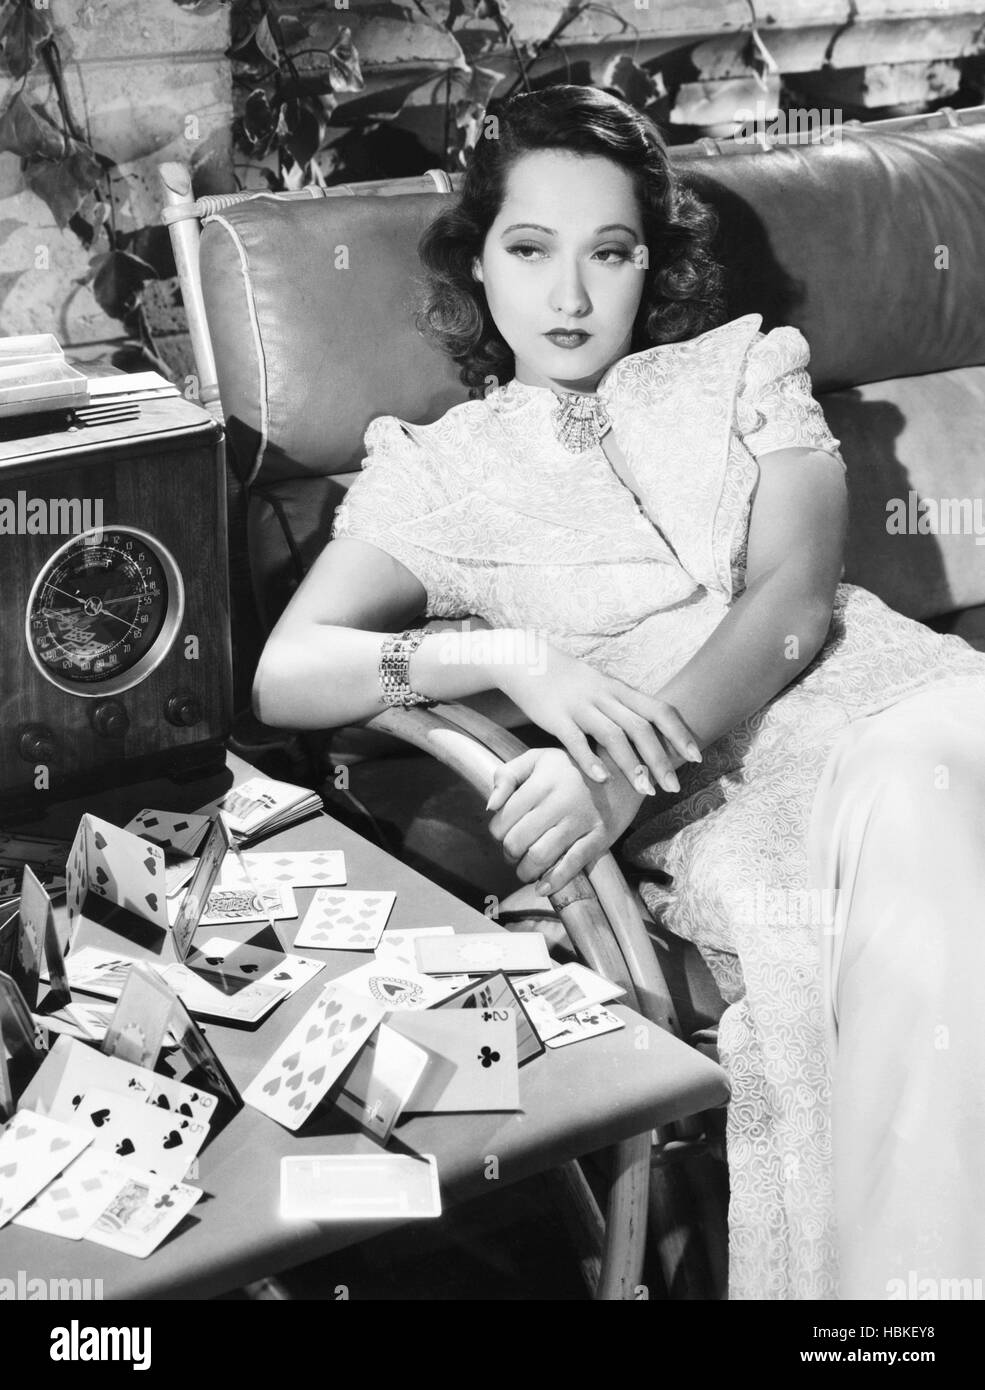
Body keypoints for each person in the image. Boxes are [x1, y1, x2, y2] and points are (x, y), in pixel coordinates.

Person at [252, 85, 985, 1300]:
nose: (573, 296)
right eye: (531, 250)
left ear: (654, 263)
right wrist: (504, 658)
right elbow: (290, 671)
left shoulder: (747, 370)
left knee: (924, 800)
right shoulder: (434, 474)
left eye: (611, 252)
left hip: (901, 698)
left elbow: (797, 603)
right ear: (476, 265)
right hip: (746, 802)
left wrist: (617, 770)